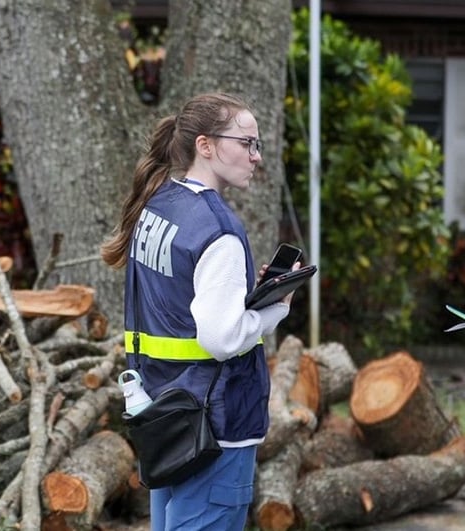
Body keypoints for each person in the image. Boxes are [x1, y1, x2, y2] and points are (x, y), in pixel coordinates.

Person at [101, 93, 296, 530]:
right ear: (205, 146)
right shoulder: (219, 230)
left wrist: (250, 299)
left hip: (164, 413)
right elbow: (221, 339)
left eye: (257, 144)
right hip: (215, 425)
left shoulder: (158, 206)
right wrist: (276, 309)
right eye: (246, 143)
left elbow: (179, 310)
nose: (256, 156)